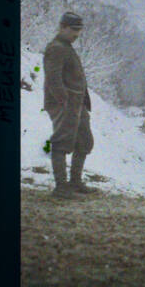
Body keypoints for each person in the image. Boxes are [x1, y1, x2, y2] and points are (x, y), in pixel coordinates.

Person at [43, 11, 97, 199]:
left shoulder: (66, 47)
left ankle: (75, 182)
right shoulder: (56, 48)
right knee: (61, 142)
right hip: (64, 104)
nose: (77, 34)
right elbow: (53, 78)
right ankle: (61, 187)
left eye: (79, 30)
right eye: (73, 29)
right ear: (62, 27)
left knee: (84, 141)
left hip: (77, 104)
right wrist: (63, 101)